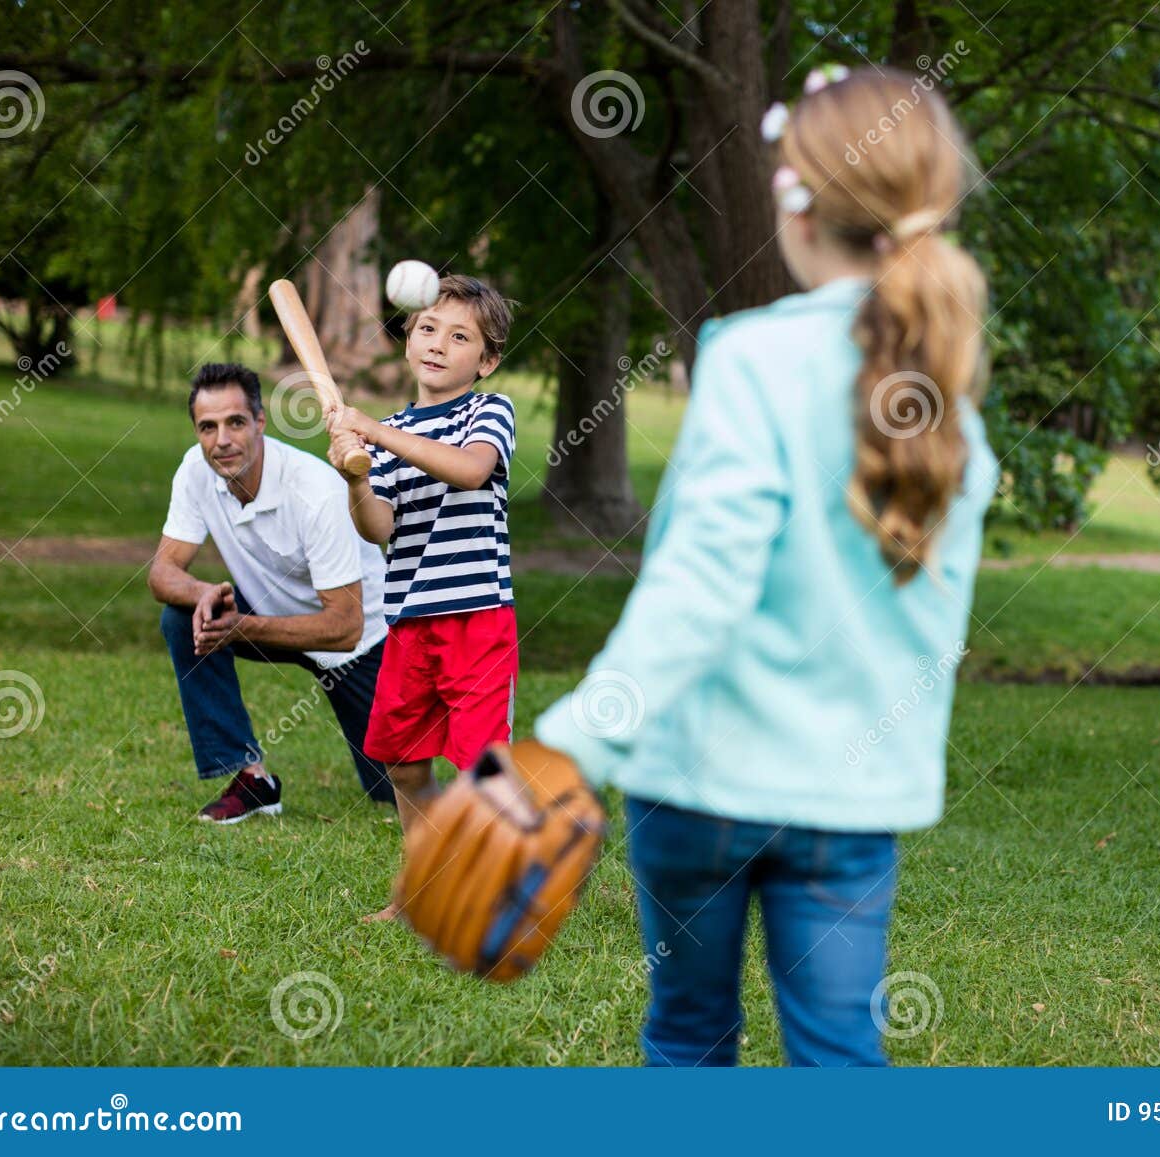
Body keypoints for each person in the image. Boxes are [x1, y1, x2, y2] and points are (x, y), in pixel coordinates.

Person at [531, 67, 999, 1065]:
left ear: (794, 200)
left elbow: (700, 590)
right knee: (839, 1057)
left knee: (691, 1039)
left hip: (700, 785)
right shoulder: (951, 407)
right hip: (852, 798)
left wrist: (575, 740)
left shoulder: (747, 358)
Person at [325, 274, 519, 922]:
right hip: (409, 620)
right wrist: (354, 473)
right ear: (408, 339)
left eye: (460, 336)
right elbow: (379, 526)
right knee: (402, 763)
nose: (438, 344)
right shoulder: (393, 430)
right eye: (428, 328)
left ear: (485, 360)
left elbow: (470, 469)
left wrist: (375, 435)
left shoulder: (488, 412)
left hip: (477, 620)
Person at [149, 363, 393, 823]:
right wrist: (204, 594)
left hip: (362, 642)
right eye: (208, 426)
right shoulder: (195, 472)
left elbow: (344, 627)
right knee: (184, 618)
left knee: (391, 791)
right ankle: (251, 778)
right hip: (269, 616)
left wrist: (240, 626)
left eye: (235, 422)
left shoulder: (316, 490)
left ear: (260, 422)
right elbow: (162, 572)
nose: (222, 439)